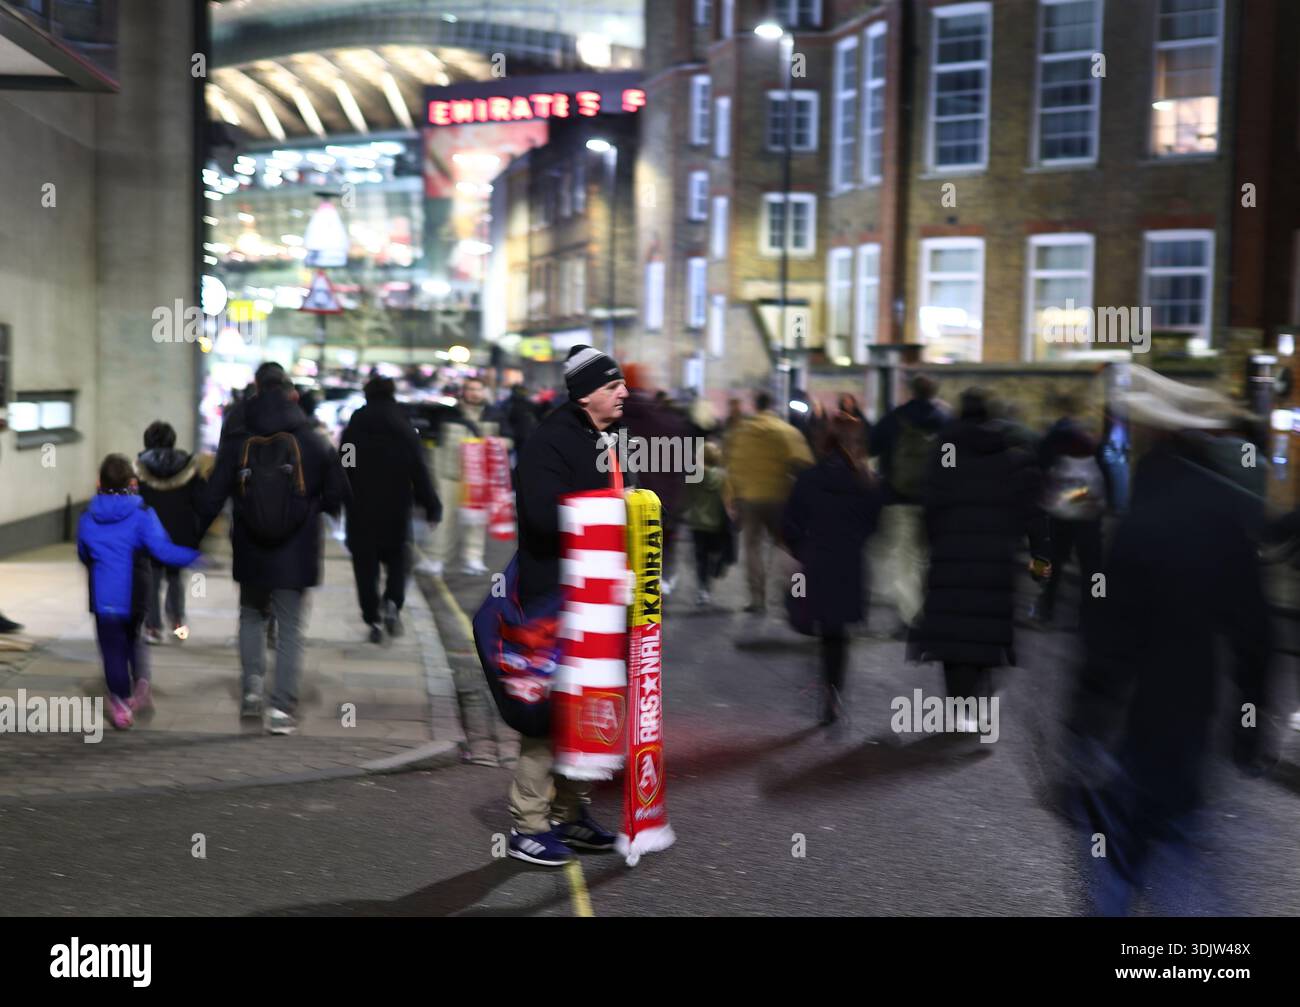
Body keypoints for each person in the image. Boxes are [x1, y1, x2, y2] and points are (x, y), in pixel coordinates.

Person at [1065, 383, 1273, 915]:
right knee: (1177, 844)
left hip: (1130, 715)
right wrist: (1249, 723)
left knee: (1116, 853)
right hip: (1191, 709)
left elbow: (1109, 635)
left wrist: (1085, 721)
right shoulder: (1226, 510)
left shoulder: (1141, 515)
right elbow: (1254, 631)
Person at [505, 344, 633, 865]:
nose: (624, 392)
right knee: (547, 712)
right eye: (612, 386)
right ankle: (527, 825)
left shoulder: (608, 437)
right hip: (556, 597)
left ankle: (570, 816)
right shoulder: (549, 443)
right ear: (585, 396)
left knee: (590, 705)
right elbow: (541, 517)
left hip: (598, 598)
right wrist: (607, 516)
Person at [198, 362, 350, 735]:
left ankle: (251, 693)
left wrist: (191, 537)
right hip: (296, 552)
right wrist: (312, 507)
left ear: (255, 388)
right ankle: (281, 709)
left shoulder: (237, 440)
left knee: (251, 617)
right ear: (289, 392)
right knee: (290, 629)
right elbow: (338, 492)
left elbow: (213, 494)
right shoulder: (312, 441)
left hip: (251, 548)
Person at [907, 388, 1049, 717]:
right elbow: (1034, 516)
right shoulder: (1011, 458)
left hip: (951, 557)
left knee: (954, 634)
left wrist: (933, 543)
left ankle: (959, 710)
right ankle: (981, 703)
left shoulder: (944, 453)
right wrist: (1041, 561)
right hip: (996, 561)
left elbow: (930, 506)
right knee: (986, 629)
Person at [77, 454, 201, 729]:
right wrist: (193, 556)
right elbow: (162, 550)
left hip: (103, 598)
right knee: (134, 638)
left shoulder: (87, 517)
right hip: (135, 595)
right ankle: (142, 684)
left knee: (112, 650)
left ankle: (120, 705)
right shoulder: (142, 513)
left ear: (99, 482)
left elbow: (84, 553)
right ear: (132, 482)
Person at [782, 415, 883, 725]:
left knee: (825, 629)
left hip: (817, 559)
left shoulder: (809, 477)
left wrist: (802, 549)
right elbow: (874, 525)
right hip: (850, 563)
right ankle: (834, 690)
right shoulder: (867, 481)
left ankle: (826, 688)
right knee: (839, 635)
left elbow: (790, 522)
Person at [339, 377, 441, 643]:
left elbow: (345, 461)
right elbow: (418, 468)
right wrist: (431, 504)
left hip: (360, 506)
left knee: (365, 567)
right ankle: (393, 602)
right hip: (395, 506)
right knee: (398, 560)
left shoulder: (356, 425)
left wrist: (339, 495)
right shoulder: (403, 426)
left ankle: (372, 617)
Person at [869, 374, 950, 635]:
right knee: (928, 558)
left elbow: (871, 447)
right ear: (934, 392)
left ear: (911, 390)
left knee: (905, 560)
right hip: (936, 501)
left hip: (898, 499)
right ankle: (931, 609)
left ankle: (912, 617)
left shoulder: (895, 418)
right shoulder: (946, 421)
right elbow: (952, 462)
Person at [724, 390, 814, 614]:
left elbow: (730, 466)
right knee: (787, 547)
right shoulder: (787, 431)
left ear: (755, 405)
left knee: (752, 548)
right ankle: (797, 594)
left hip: (749, 498)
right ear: (772, 405)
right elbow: (806, 463)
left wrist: (731, 499)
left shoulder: (741, 432)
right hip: (780, 497)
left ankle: (757, 599)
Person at [135, 420, 211, 645]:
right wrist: (198, 530)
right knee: (176, 579)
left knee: (152, 581)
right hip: (182, 533)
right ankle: (177, 624)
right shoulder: (190, 468)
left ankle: (152, 628)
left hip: (150, 535)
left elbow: (134, 504)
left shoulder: (139, 469)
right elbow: (203, 501)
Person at [1034, 395, 1107, 631]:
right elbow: (1107, 478)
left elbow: (1039, 469)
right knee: (1093, 567)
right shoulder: (1095, 445)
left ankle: (1045, 608)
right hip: (1088, 514)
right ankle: (1096, 610)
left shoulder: (1052, 440)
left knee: (1053, 561)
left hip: (1058, 513)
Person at [429, 376, 509, 576]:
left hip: (479, 477)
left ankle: (473, 558)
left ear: (484, 392)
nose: (474, 393)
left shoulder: (495, 415)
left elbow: (510, 440)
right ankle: (437, 559)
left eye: (478, 389)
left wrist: (496, 443)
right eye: (470, 389)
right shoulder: (447, 414)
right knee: (444, 519)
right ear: (463, 392)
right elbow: (434, 445)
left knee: (477, 520)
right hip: (449, 475)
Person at [682, 441, 731, 607]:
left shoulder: (695, 475)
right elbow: (728, 499)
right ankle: (713, 574)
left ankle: (703, 589)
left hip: (697, 524)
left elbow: (688, 497)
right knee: (714, 554)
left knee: (700, 558)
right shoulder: (724, 477)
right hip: (716, 523)